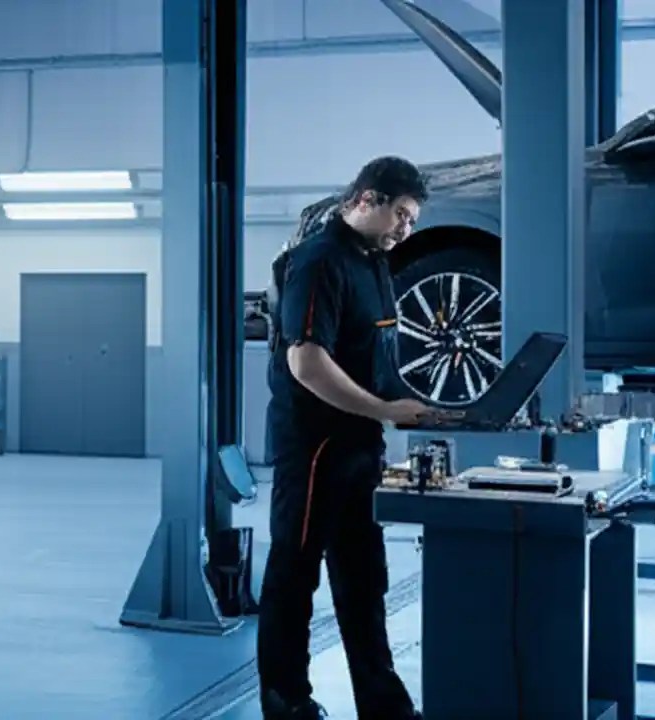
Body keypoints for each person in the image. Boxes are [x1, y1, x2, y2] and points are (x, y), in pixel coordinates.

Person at [257, 156, 436, 720]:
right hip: (313, 446)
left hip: (360, 445)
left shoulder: (374, 261)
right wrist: (385, 410)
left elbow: (375, 356)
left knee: (363, 578)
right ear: (366, 200)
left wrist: (419, 409)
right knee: (296, 570)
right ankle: (285, 699)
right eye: (401, 216)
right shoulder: (318, 261)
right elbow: (307, 362)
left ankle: (382, 704)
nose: (406, 229)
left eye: (411, 220)